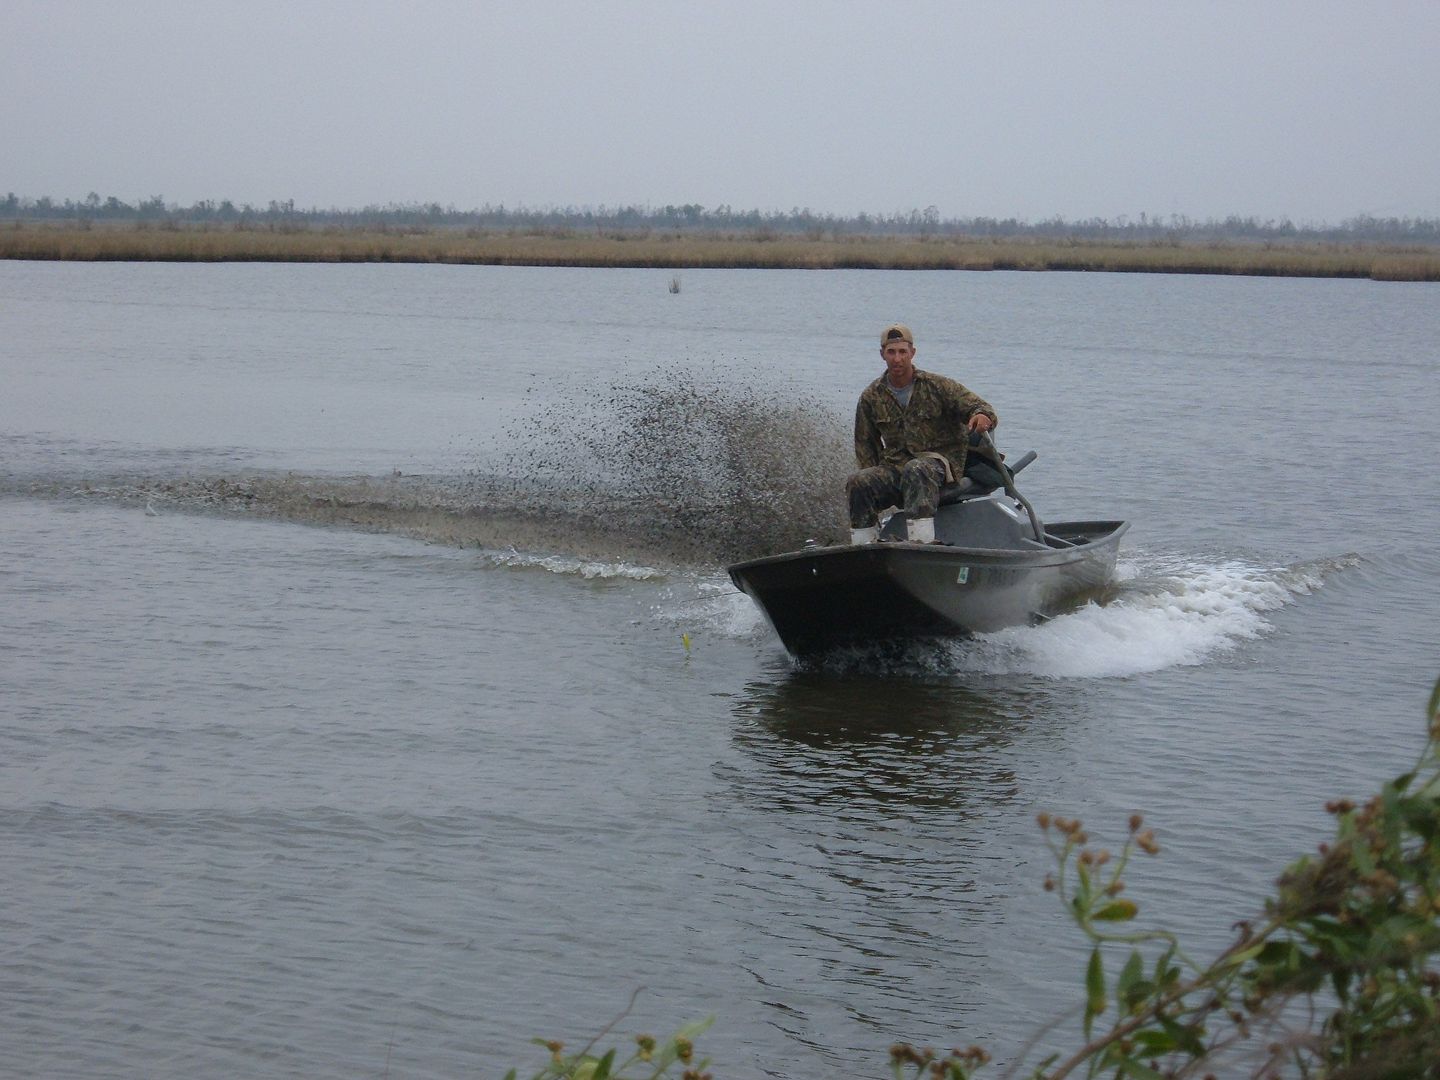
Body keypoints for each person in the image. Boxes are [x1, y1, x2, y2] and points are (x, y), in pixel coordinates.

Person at [845, 323, 1003, 544]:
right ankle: (864, 545)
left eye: (902, 352)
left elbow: (981, 407)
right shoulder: (871, 397)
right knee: (859, 481)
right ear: (882, 355)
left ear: (912, 353)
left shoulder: (937, 386)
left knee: (916, 469)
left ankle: (922, 543)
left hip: (939, 464)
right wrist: (876, 480)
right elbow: (865, 445)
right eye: (891, 352)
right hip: (896, 466)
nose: (897, 358)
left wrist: (981, 416)